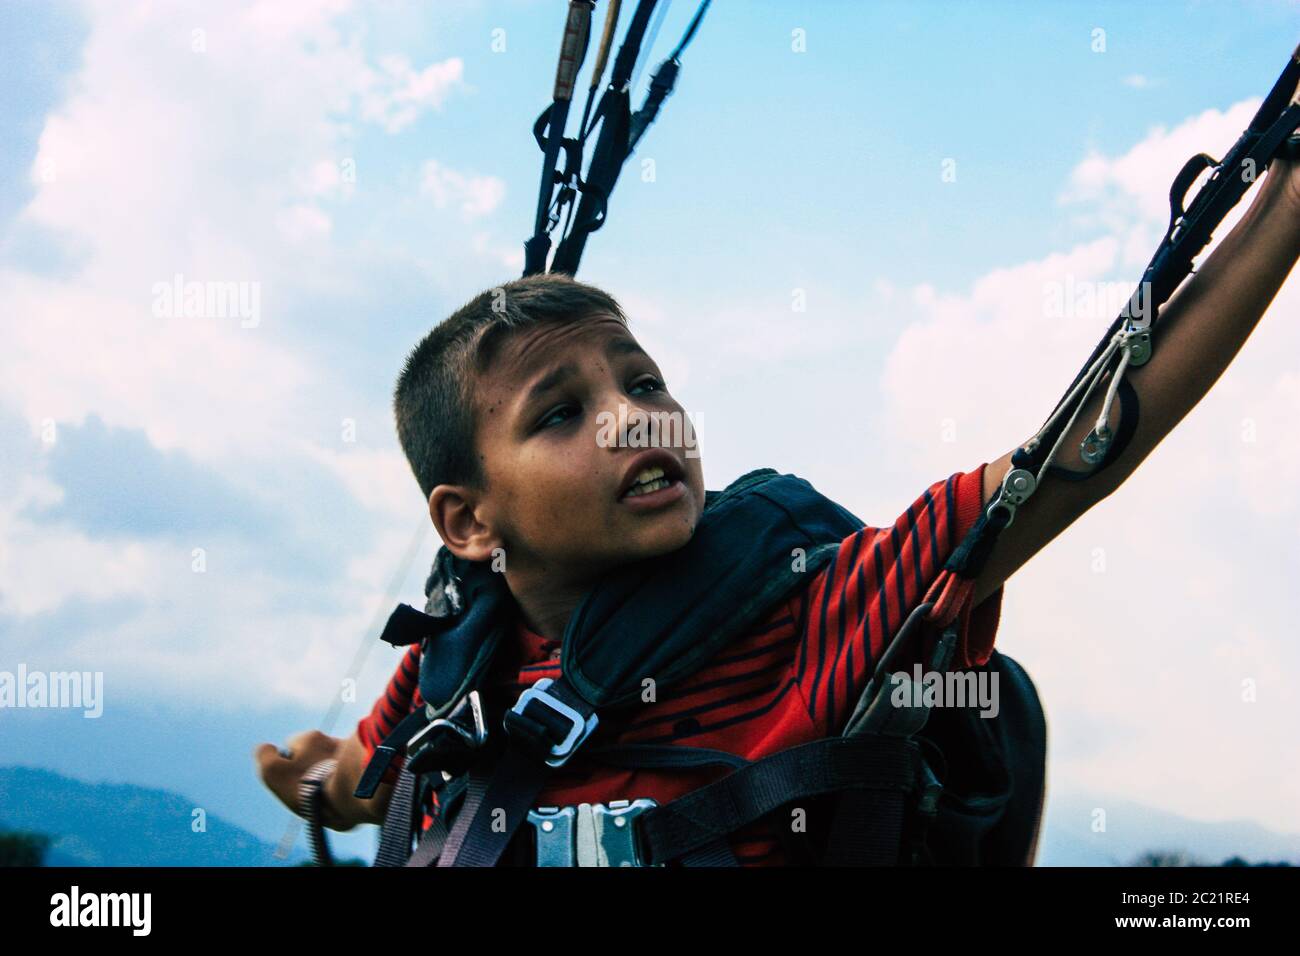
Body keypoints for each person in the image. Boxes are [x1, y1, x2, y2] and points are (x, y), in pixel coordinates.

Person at [255, 154, 1300, 865]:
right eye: (565, 411)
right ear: (469, 523)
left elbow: (1078, 447)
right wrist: (317, 771)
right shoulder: (454, 664)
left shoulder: (815, 603)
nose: (638, 421)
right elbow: (367, 775)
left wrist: (1285, 198)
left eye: (646, 383)